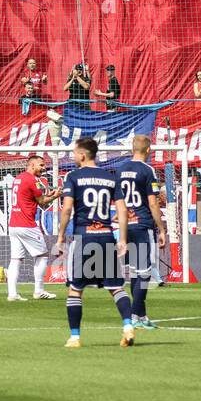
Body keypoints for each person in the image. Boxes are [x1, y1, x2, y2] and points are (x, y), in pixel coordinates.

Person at [52, 136, 135, 349]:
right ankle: (127, 326)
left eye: (74, 152)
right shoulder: (110, 177)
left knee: (75, 289)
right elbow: (123, 210)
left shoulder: (73, 176)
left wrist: (61, 237)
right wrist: (123, 238)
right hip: (106, 236)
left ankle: (75, 337)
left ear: (82, 154)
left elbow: (67, 209)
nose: (73, 156)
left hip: (83, 238)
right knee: (116, 288)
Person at [117, 135, 167, 329]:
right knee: (144, 273)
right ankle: (134, 316)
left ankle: (142, 315)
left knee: (136, 273)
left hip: (125, 225)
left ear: (132, 149)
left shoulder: (120, 170)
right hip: (142, 224)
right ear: (148, 150)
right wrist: (161, 228)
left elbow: (119, 201)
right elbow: (153, 202)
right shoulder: (147, 170)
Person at [7, 153, 61, 301]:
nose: (43, 168)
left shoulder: (18, 178)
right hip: (27, 224)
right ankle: (39, 290)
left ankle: (12, 294)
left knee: (16, 259)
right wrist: (56, 195)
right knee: (42, 255)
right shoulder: (33, 180)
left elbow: (32, 199)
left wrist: (47, 196)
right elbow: (42, 202)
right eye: (41, 165)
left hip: (13, 224)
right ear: (32, 165)